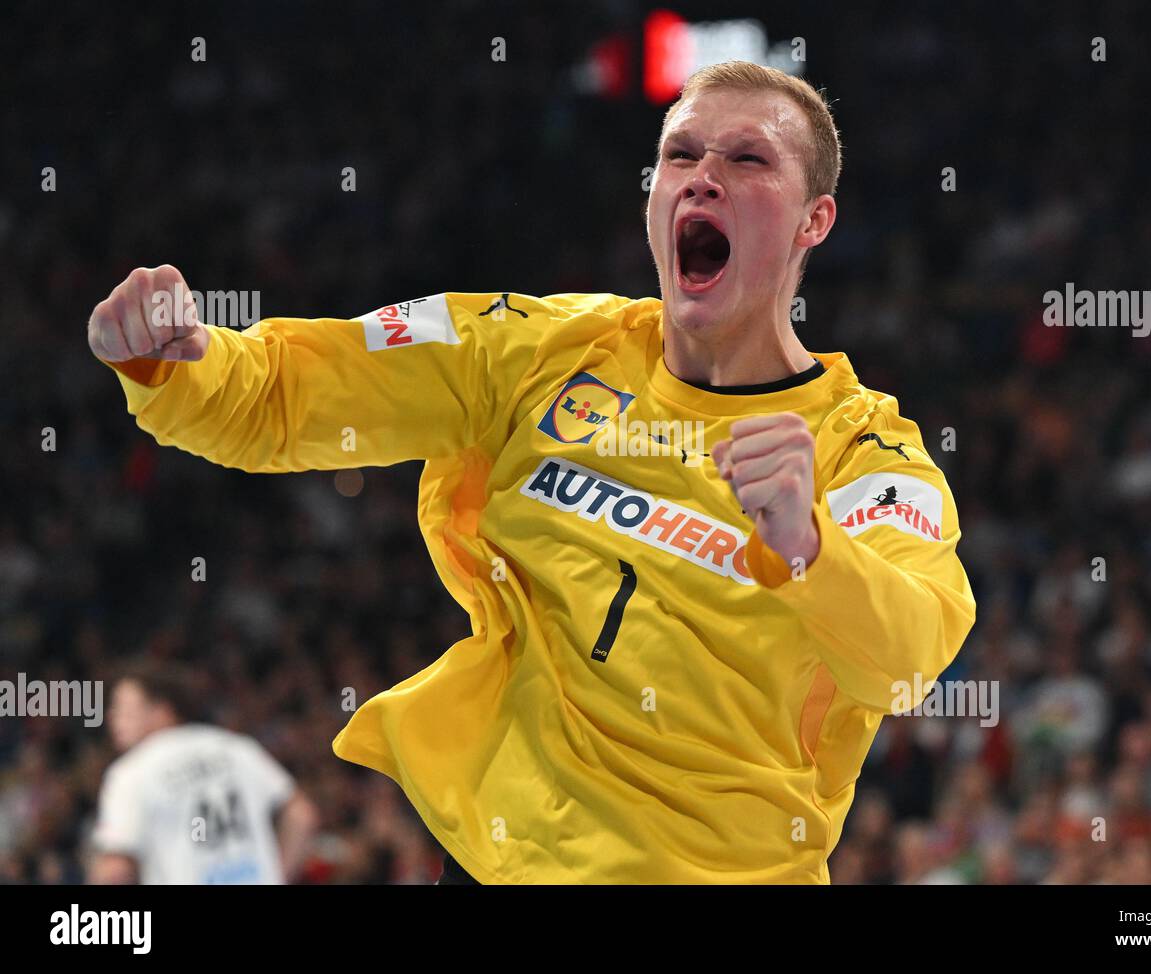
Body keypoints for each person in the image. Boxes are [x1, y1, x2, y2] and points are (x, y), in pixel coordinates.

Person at [87, 61, 975, 883]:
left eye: (749, 159)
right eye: (680, 154)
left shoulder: (864, 449)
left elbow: (906, 659)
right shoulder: (536, 349)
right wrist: (179, 364)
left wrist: (813, 547)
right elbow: (290, 392)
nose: (704, 174)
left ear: (814, 219)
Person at [89, 663, 318, 884]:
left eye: (126, 709)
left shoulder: (131, 772)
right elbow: (301, 814)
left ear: (163, 710)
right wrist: (277, 877)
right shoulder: (236, 748)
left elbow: (115, 871)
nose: (113, 718)